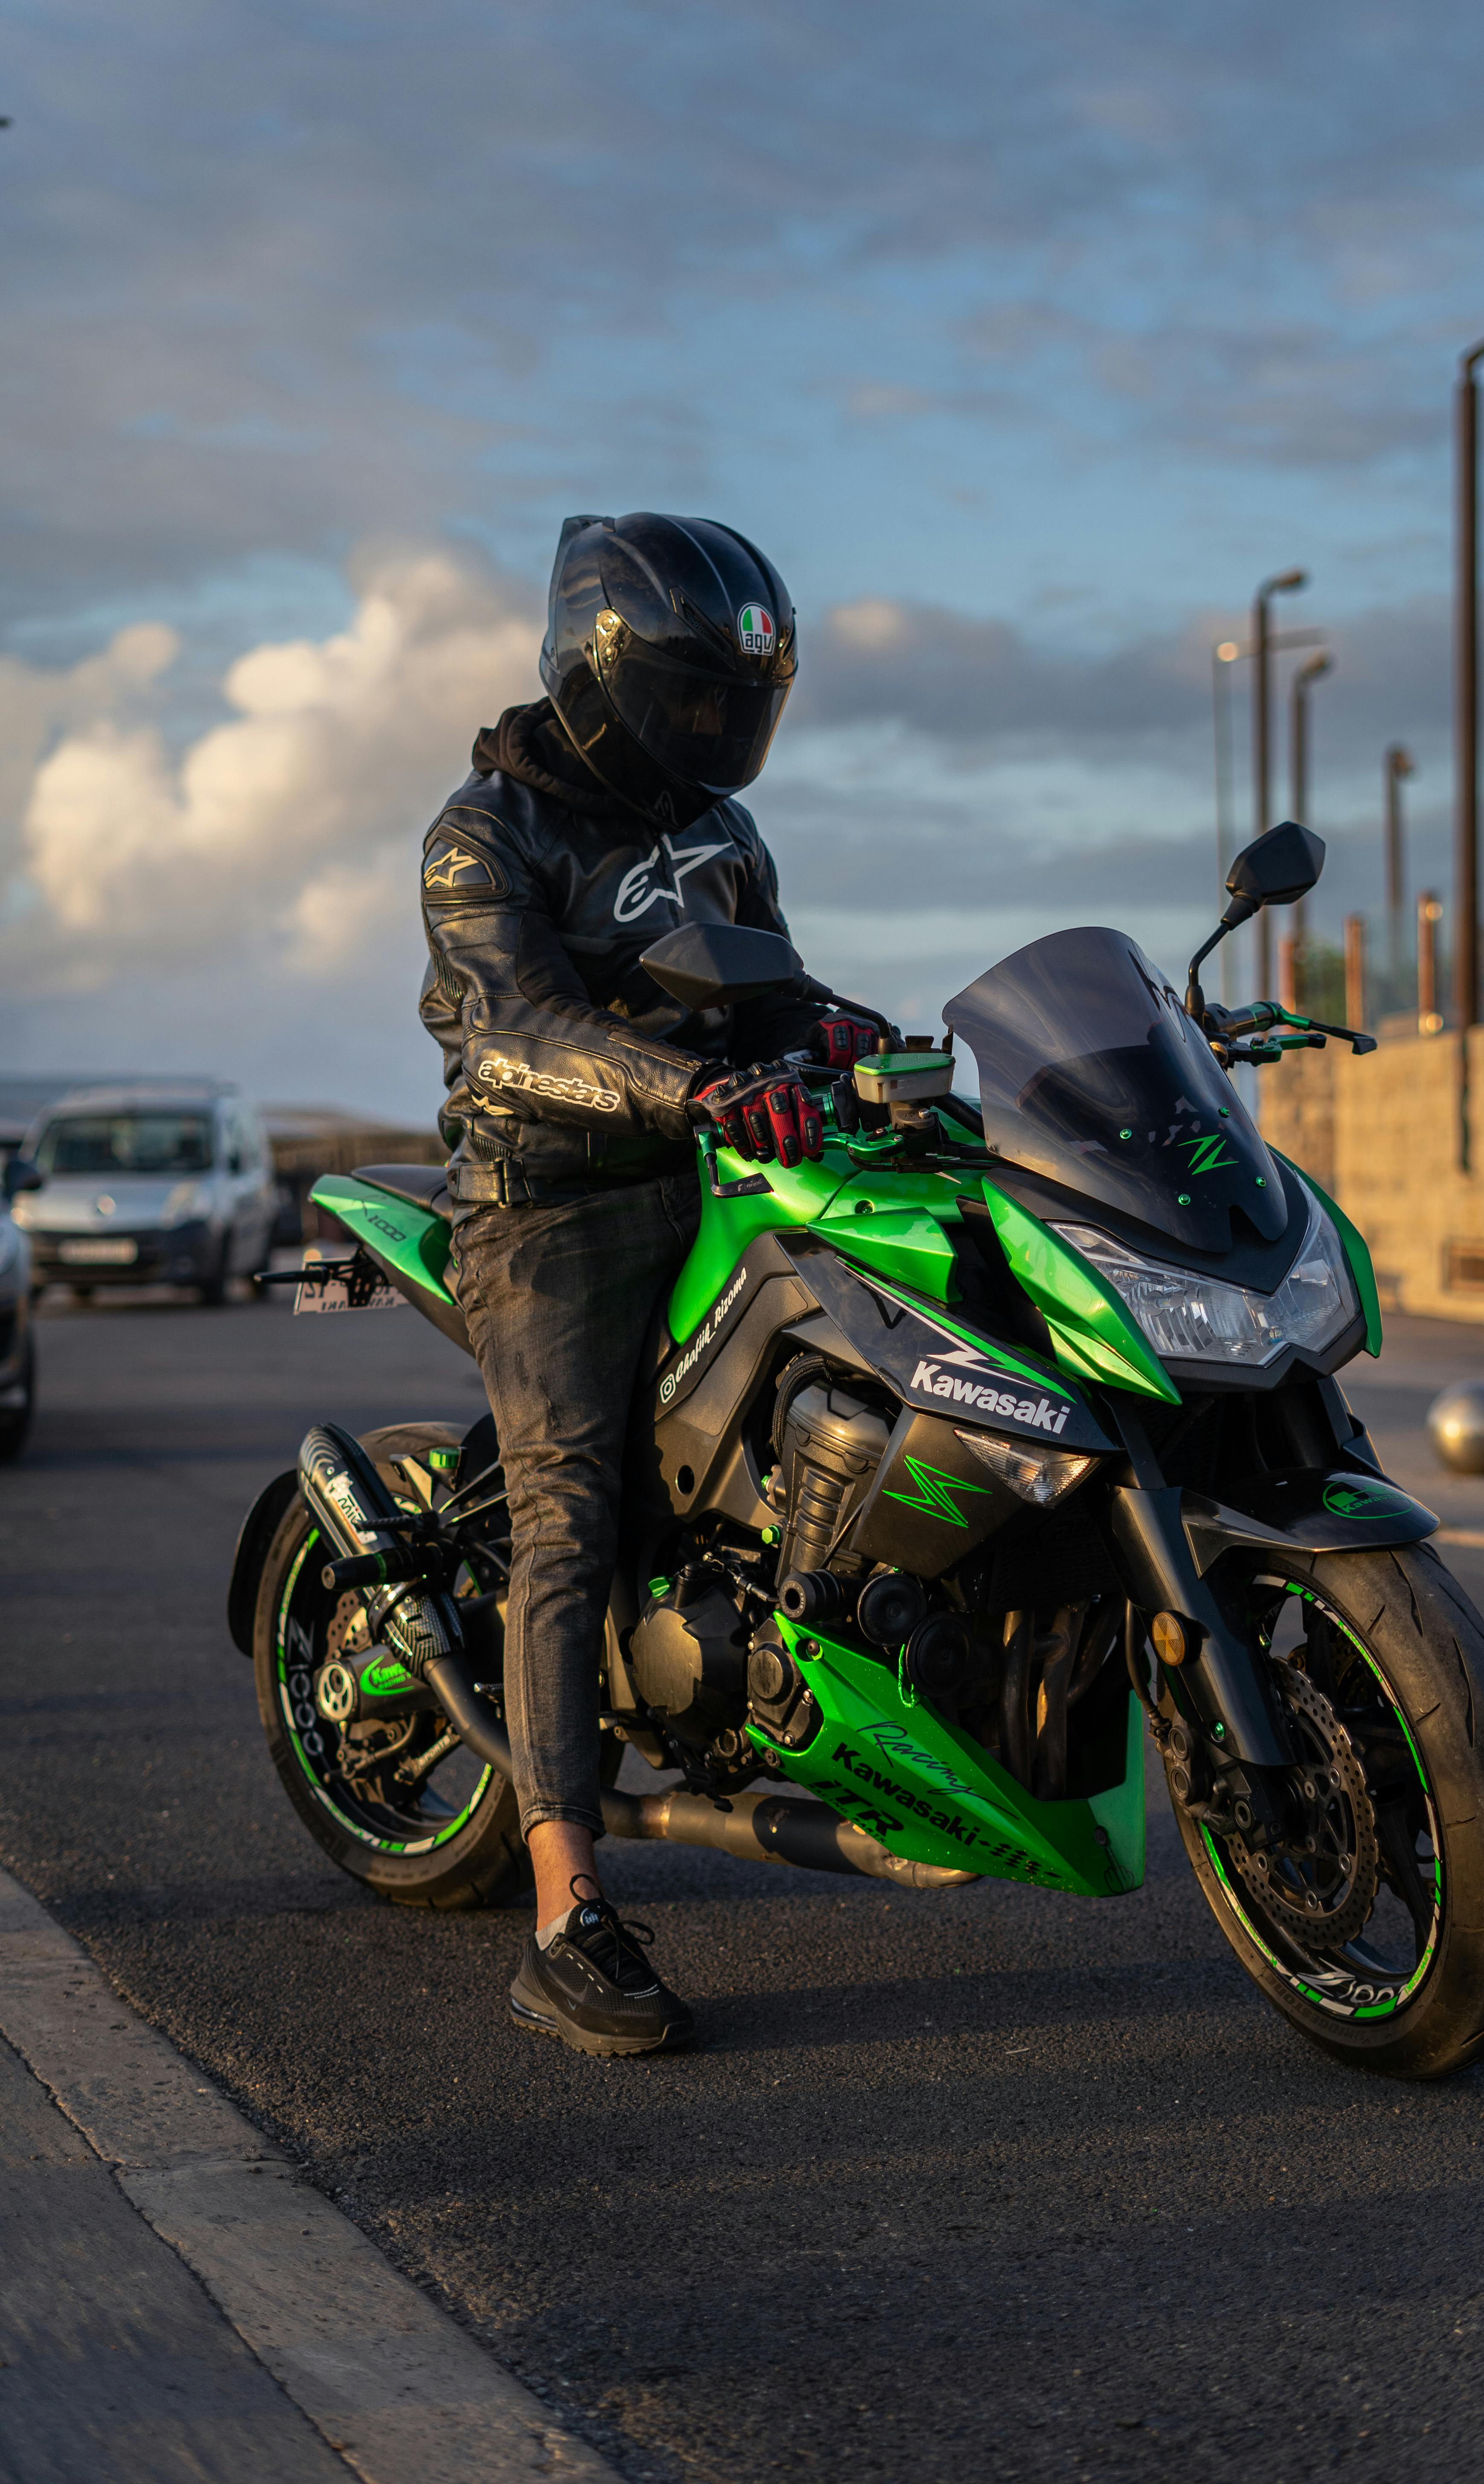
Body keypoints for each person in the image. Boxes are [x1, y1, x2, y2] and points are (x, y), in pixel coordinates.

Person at [420, 512, 866, 2059]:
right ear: (602, 676)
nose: (714, 728)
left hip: (712, 1175)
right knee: (568, 1512)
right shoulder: (487, 832)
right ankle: (566, 1907)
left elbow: (784, 989)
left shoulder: (718, 830)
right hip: (542, 1207)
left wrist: (867, 1049)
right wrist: (688, 1094)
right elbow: (518, 1024)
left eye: (735, 699)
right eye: (688, 696)